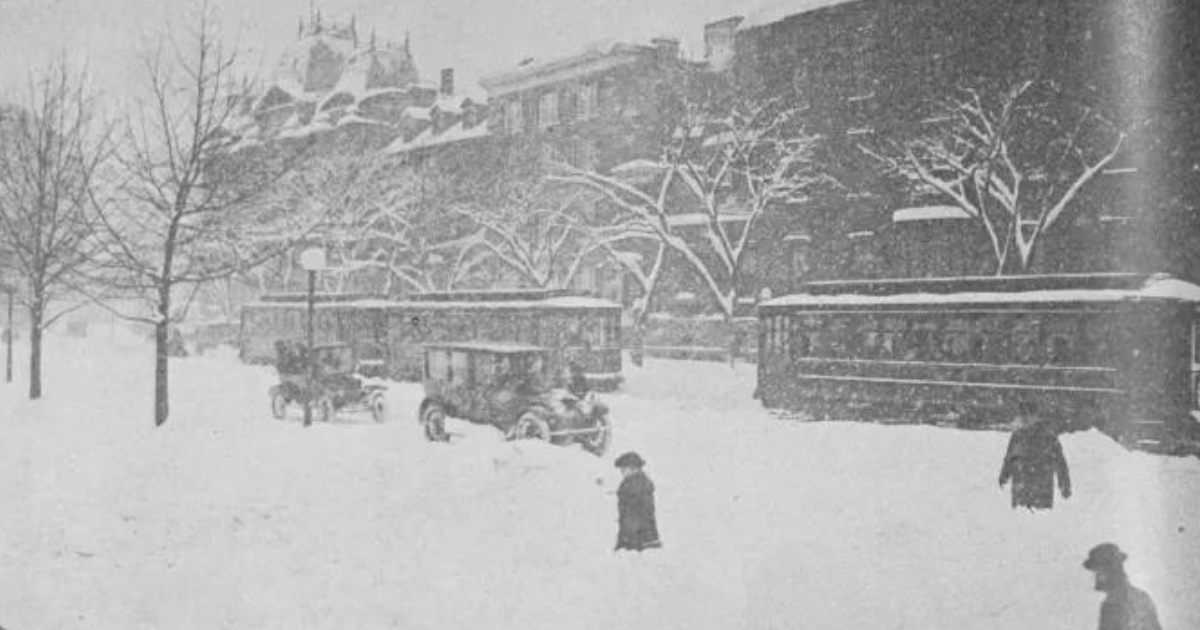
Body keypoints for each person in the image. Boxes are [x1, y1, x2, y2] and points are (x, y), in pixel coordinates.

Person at [998, 398, 1071, 510]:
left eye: (1029, 414)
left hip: (1042, 494)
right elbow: (1009, 458)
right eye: (1022, 415)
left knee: (1041, 525)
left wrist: (1064, 485)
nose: (1025, 418)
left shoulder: (1048, 436)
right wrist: (1004, 476)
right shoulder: (1017, 436)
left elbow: (1060, 462)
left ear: (1036, 416)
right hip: (1020, 494)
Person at [1082, 543, 1162, 630]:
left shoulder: (1111, 605)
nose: (1096, 576)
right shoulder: (1143, 597)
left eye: (1098, 570)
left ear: (1107, 571)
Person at [614, 451, 661, 552]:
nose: (621, 472)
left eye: (623, 469)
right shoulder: (639, 482)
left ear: (633, 468)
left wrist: (624, 542)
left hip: (638, 538)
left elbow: (632, 515)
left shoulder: (633, 484)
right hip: (644, 536)